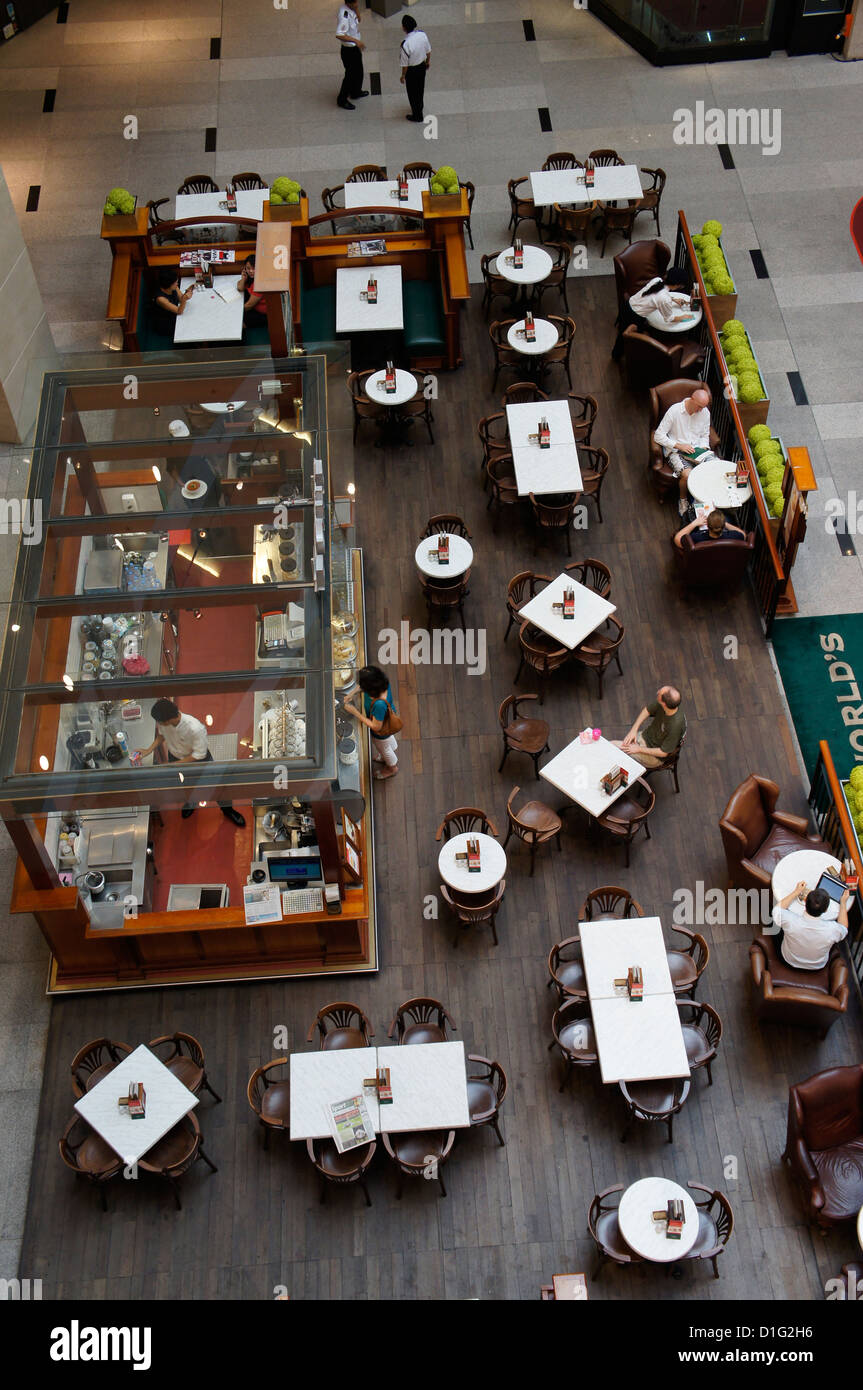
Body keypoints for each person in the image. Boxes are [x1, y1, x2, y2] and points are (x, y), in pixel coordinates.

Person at [134, 699, 246, 826]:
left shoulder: (195, 728)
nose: (158, 724)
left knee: (217, 788)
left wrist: (174, 765)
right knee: (187, 785)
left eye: (160, 722)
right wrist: (148, 750)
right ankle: (192, 803)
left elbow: (199, 754)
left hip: (199, 761)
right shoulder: (164, 723)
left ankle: (228, 810)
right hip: (176, 757)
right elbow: (162, 735)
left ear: (167, 720)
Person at [653, 386, 712, 516]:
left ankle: (703, 501)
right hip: (677, 452)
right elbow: (658, 435)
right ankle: (683, 500)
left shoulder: (705, 413)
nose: (701, 410)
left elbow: (705, 435)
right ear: (692, 399)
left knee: (712, 467)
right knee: (688, 475)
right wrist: (679, 445)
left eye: (704, 407)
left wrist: (702, 448)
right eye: (699, 406)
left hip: (697, 449)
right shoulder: (674, 411)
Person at [772, 881, 849, 970]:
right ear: (826, 910)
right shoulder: (832, 930)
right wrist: (843, 903)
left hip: (788, 960)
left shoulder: (790, 920)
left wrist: (796, 892)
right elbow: (844, 928)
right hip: (817, 967)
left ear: (805, 903)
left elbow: (776, 910)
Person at [343, 666, 399, 780]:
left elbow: (376, 726)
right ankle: (389, 749)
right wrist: (351, 694)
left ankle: (392, 768)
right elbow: (362, 686)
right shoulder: (381, 682)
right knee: (387, 745)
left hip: (382, 731)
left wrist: (355, 712)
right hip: (388, 720)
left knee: (384, 748)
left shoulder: (379, 704)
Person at [612, 686, 685, 770]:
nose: (657, 691)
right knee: (616, 751)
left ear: (663, 703)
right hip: (645, 737)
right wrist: (634, 730)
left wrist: (638, 749)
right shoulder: (666, 705)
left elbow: (663, 753)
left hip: (654, 756)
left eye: (659, 693)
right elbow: (647, 710)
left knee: (613, 747)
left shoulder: (675, 726)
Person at [336, 0, 368, 111]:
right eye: (355, 3)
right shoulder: (344, 15)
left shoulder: (353, 9)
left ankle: (355, 92)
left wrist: (356, 9)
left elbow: (358, 19)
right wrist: (356, 41)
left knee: (359, 71)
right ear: (349, 3)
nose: (357, 4)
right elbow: (339, 34)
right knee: (350, 76)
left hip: (355, 48)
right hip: (349, 50)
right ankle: (342, 99)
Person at [400, 15, 431, 123]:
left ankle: (417, 115)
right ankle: (420, 108)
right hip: (421, 67)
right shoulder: (422, 35)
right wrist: (427, 62)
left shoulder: (405, 44)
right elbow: (428, 51)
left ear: (403, 28)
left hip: (412, 71)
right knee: (420, 89)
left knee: (412, 93)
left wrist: (403, 76)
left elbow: (405, 65)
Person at [673, 507, 745, 550]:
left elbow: (677, 540)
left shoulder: (697, 538)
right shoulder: (732, 536)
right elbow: (743, 535)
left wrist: (694, 523)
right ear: (723, 527)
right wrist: (724, 523)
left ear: (707, 525)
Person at [152, 268, 193, 337]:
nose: (177, 284)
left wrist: (187, 292)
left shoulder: (173, 287)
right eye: (175, 283)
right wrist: (184, 299)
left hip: (175, 314)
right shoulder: (160, 299)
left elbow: (180, 298)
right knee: (189, 329)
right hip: (166, 322)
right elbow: (179, 311)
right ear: (168, 284)